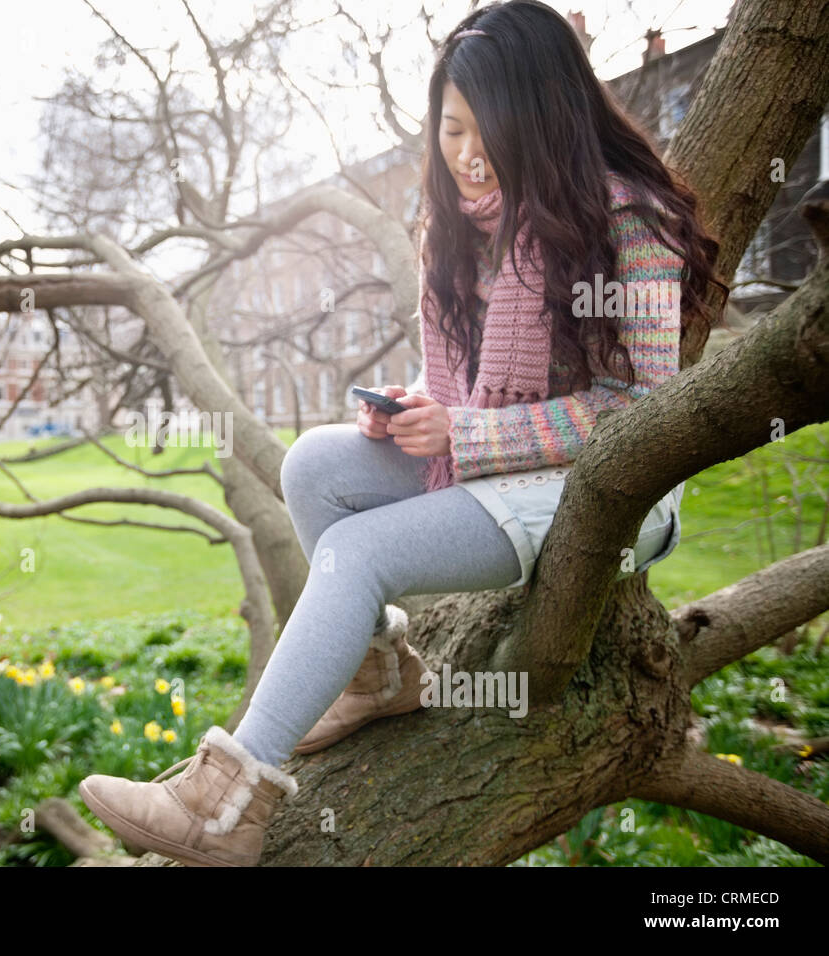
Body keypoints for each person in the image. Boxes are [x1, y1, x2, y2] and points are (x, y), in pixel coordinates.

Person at [78, 0, 728, 867]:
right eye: (449, 128)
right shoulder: (461, 232)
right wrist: (410, 407)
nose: (463, 151)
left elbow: (644, 410)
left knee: (357, 553)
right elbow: (457, 384)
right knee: (314, 466)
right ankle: (382, 676)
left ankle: (225, 804)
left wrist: (468, 434)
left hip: (611, 490)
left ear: (540, 117)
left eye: (483, 128)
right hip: (498, 466)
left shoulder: (630, 219)